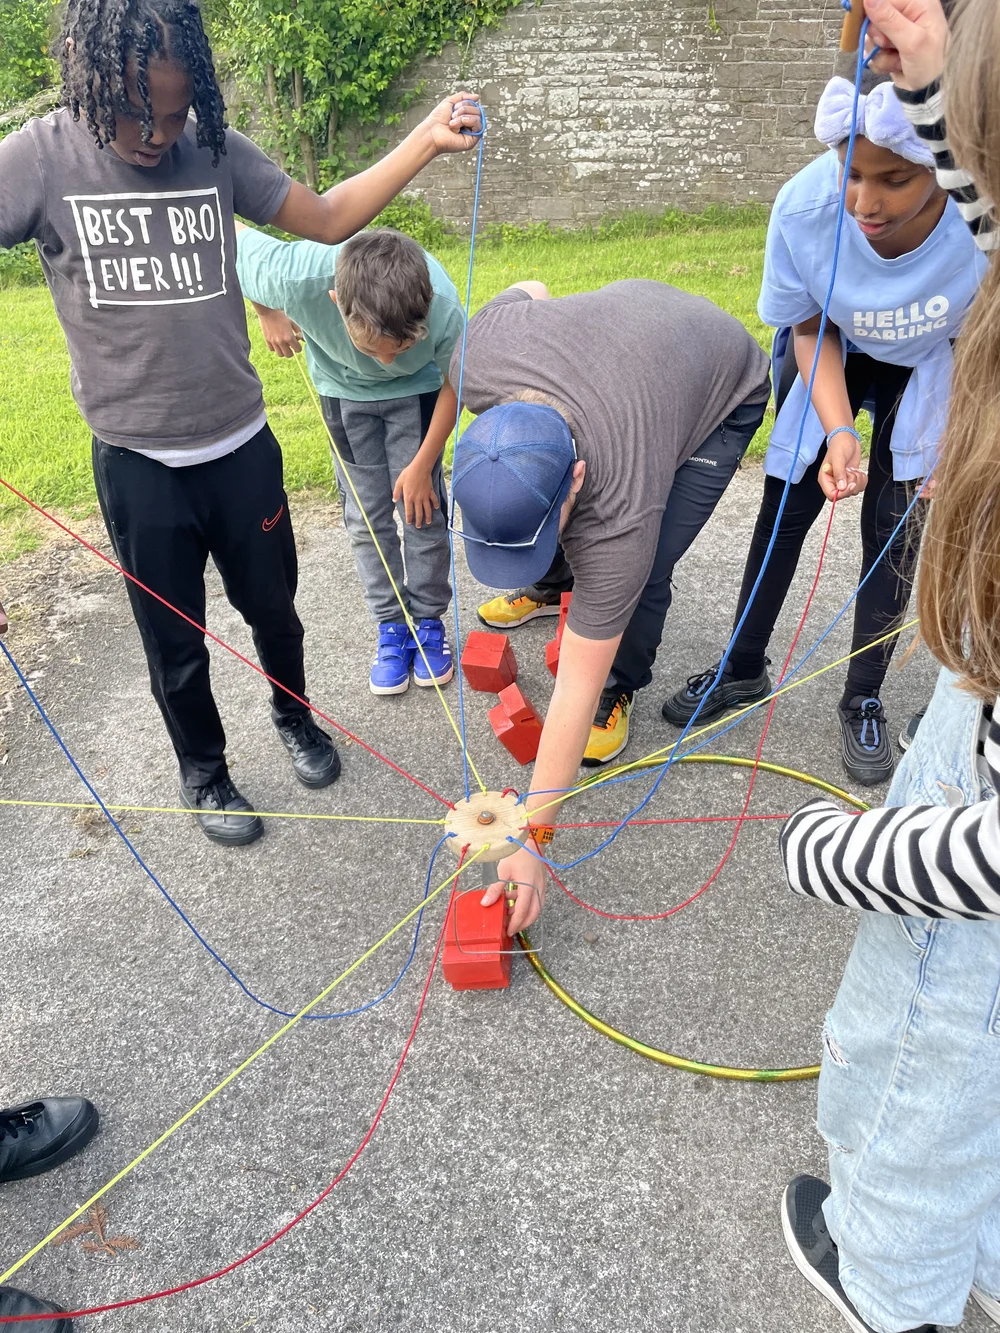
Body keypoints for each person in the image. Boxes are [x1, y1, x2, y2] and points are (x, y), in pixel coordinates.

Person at [0, 0, 480, 847]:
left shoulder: (211, 150)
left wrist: (426, 140)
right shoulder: (40, 158)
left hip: (240, 446)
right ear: (88, 70)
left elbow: (328, 218)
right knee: (176, 642)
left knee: (276, 610)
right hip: (137, 461)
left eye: (179, 111)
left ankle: (295, 721)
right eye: (138, 110)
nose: (159, 133)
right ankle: (206, 772)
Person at [773, 1, 1000, 1329]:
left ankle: (888, 1280)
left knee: (921, 1073)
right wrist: (926, 80)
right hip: (973, 715)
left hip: (965, 850)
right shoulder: (836, 207)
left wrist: (839, 850)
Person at [660, 68, 985, 787]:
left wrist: (959, 438)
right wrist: (840, 432)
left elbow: (979, 341)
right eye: (852, 172)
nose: (864, 201)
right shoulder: (804, 208)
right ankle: (742, 666)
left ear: (940, 164)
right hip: (831, 343)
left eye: (894, 180)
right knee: (785, 506)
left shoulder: (978, 213)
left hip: (932, 360)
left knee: (895, 531)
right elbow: (806, 325)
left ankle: (862, 691)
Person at [449, 277, 771, 930]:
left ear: (576, 476)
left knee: (644, 570)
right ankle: (555, 579)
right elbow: (531, 288)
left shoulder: (620, 509)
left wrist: (531, 837)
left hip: (721, 377)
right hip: (633, 335)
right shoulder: (476, 352)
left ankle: (625, 685)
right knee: (584, 557)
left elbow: (571, 688)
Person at [236, 225, 464, 696]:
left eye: (398, 349)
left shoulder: (444, 307)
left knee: (421, 511)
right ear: (337, 299)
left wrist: (423, 465)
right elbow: (232, 238)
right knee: (366, 517)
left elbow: (457, 382)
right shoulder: (294, 276)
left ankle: (426, 622)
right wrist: (266, 310)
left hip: (418, 396)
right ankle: (391, 626)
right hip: (344, 398)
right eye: (371, 347)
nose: (384, 361)